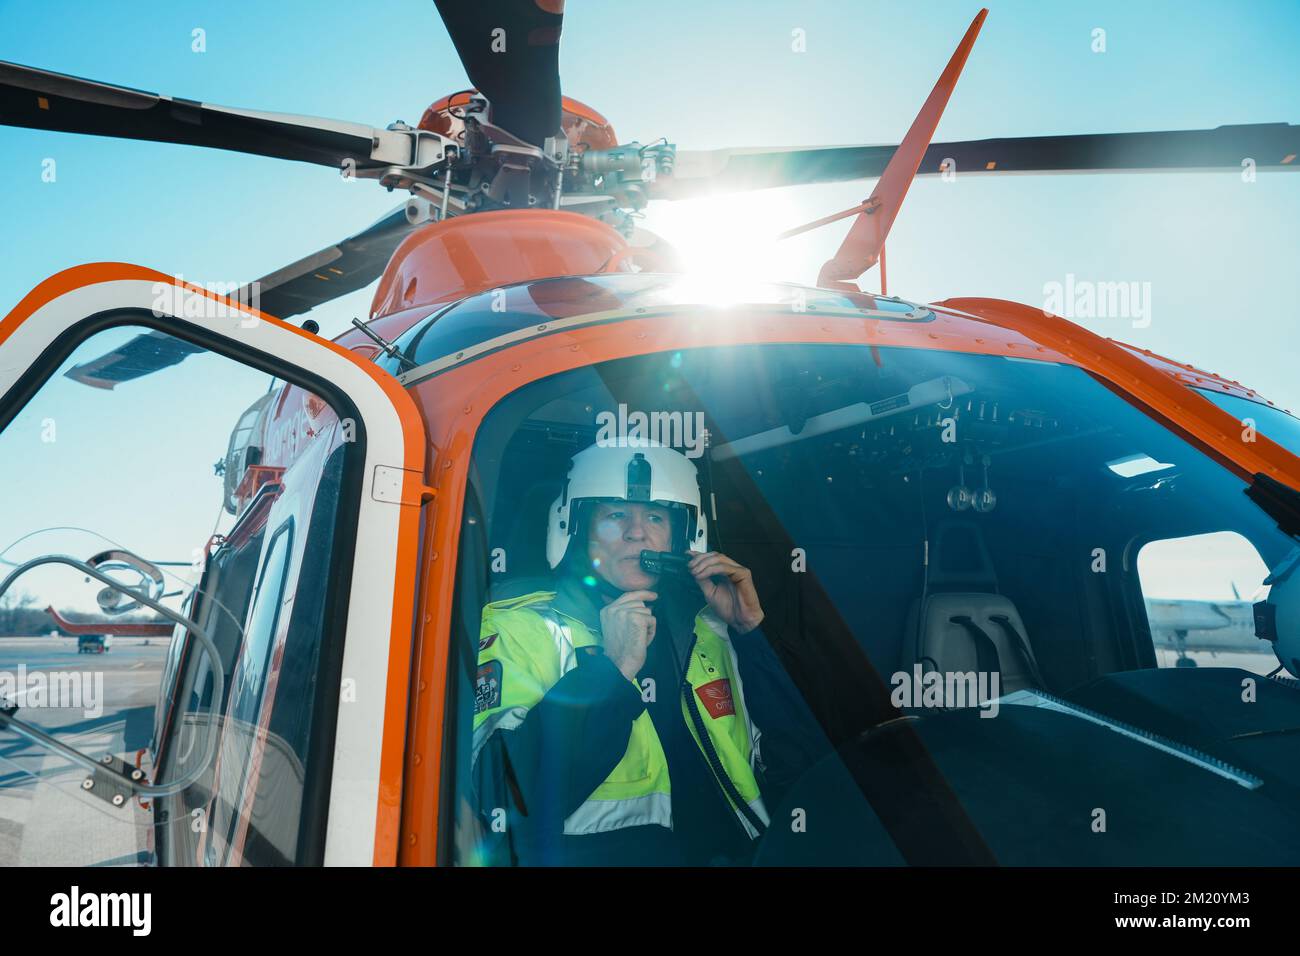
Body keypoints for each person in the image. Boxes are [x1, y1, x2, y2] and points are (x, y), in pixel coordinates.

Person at [470, 439, 771, 865]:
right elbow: (500, 799)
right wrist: (610, 672)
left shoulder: (706, 629)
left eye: (655, 517)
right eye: (615, 516)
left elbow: (797, 758)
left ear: (681, 537)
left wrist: (750, 633)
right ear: (575, 530)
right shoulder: (517, 630)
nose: (636, 532)